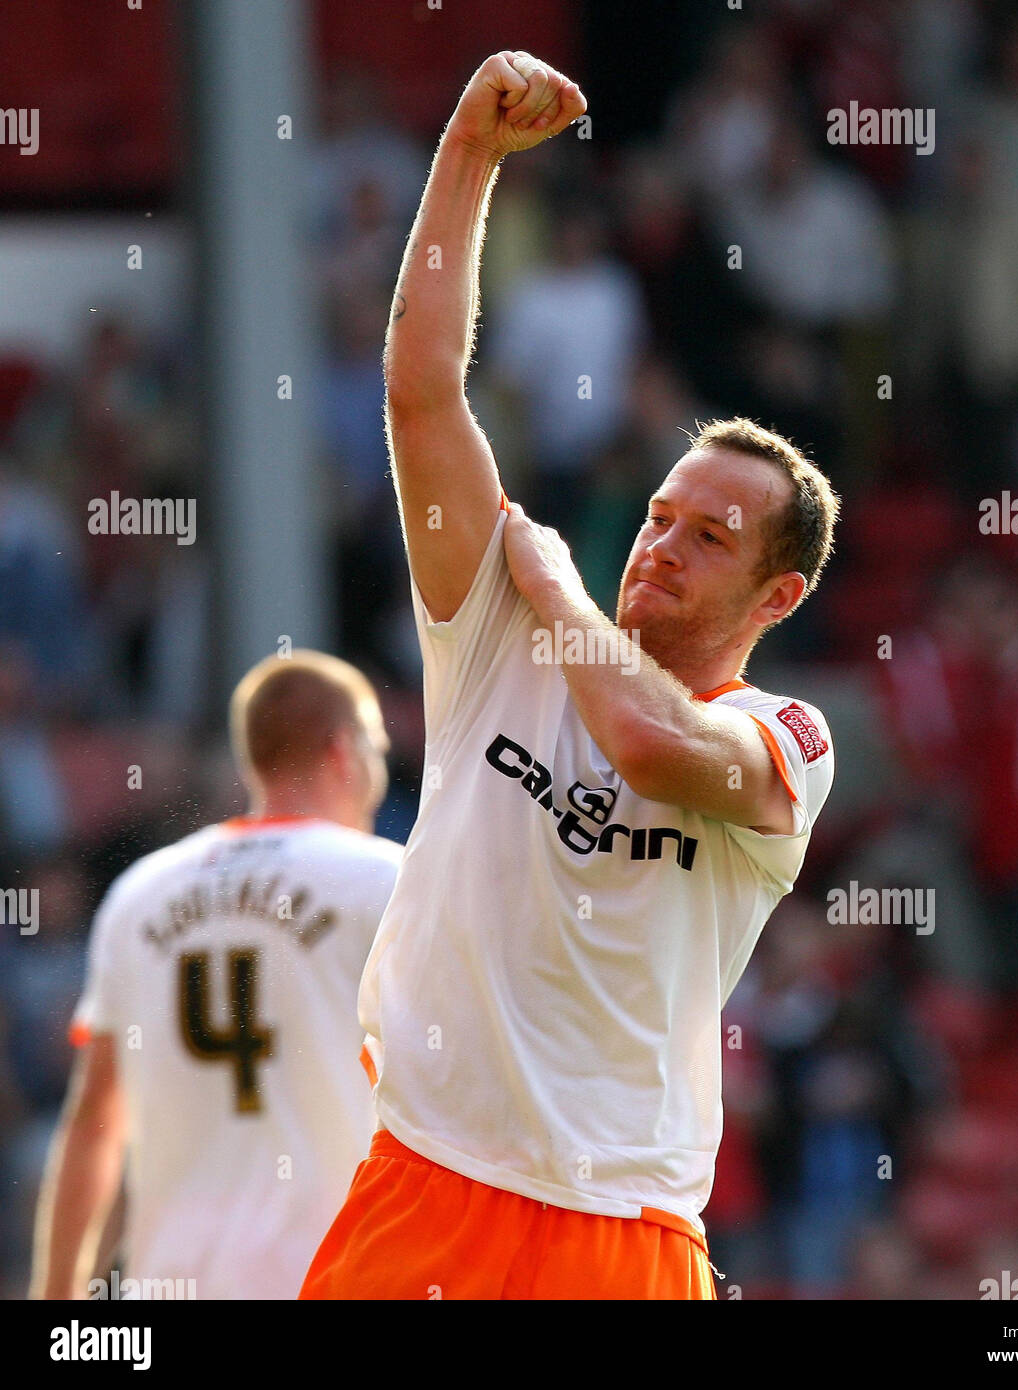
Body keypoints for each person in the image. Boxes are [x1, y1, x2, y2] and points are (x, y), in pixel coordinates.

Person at [301, 51, 839, 1302]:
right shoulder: (495, 639)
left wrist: (553, 590)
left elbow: (651, 750)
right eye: (660, 513)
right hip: (426, 1179)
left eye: (709, 537)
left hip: (620, 1224)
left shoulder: (786, 737)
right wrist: (468, 155)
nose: (662, 543)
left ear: (777, 596)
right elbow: (421, 393)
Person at [30, 650, 403, 1300]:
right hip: (332, 1278)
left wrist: (57, 1300)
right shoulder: (388, 881)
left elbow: (93, 1124)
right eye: (375, 749)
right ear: (344, 750)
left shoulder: (139, 893)